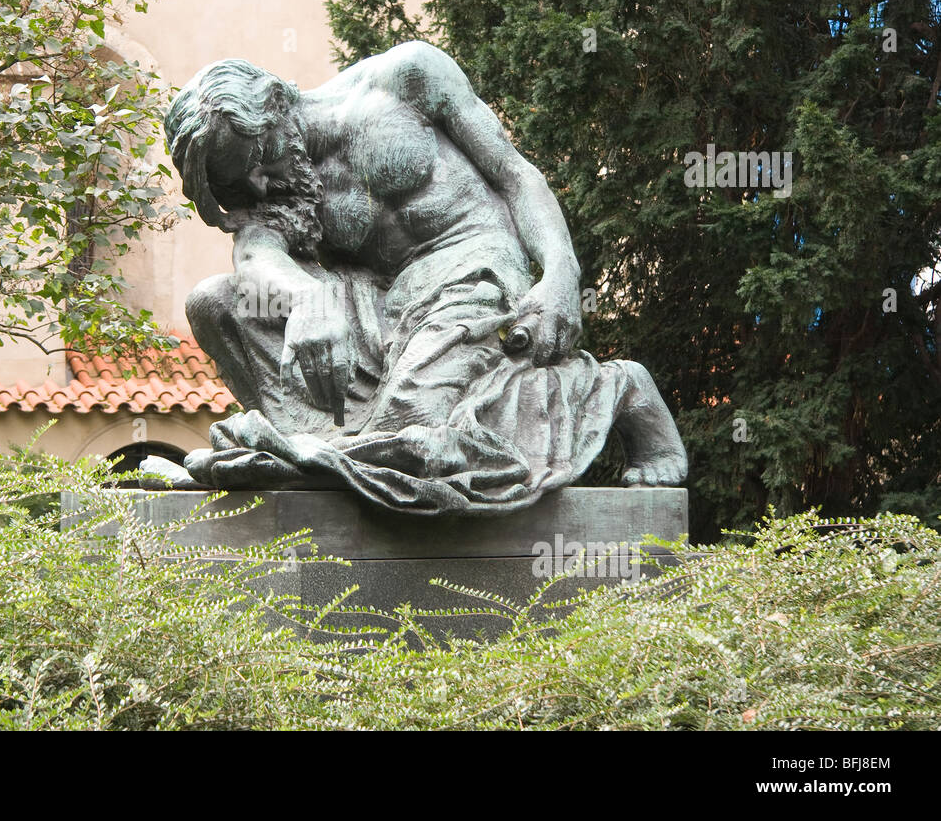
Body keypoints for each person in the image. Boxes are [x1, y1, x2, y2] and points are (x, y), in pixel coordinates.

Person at [158, 41, 686, 514]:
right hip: (378, 304)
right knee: (216, 303)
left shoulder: (407, 77)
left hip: (468, 270)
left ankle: (618, 388)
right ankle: (318, 449)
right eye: (238, 181)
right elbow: (256, 258)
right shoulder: (278, 191)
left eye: (255, 158)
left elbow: (515, 175)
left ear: (273, 104)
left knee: (409, 434)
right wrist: (307, 298)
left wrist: (561, 276)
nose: (256, 182)